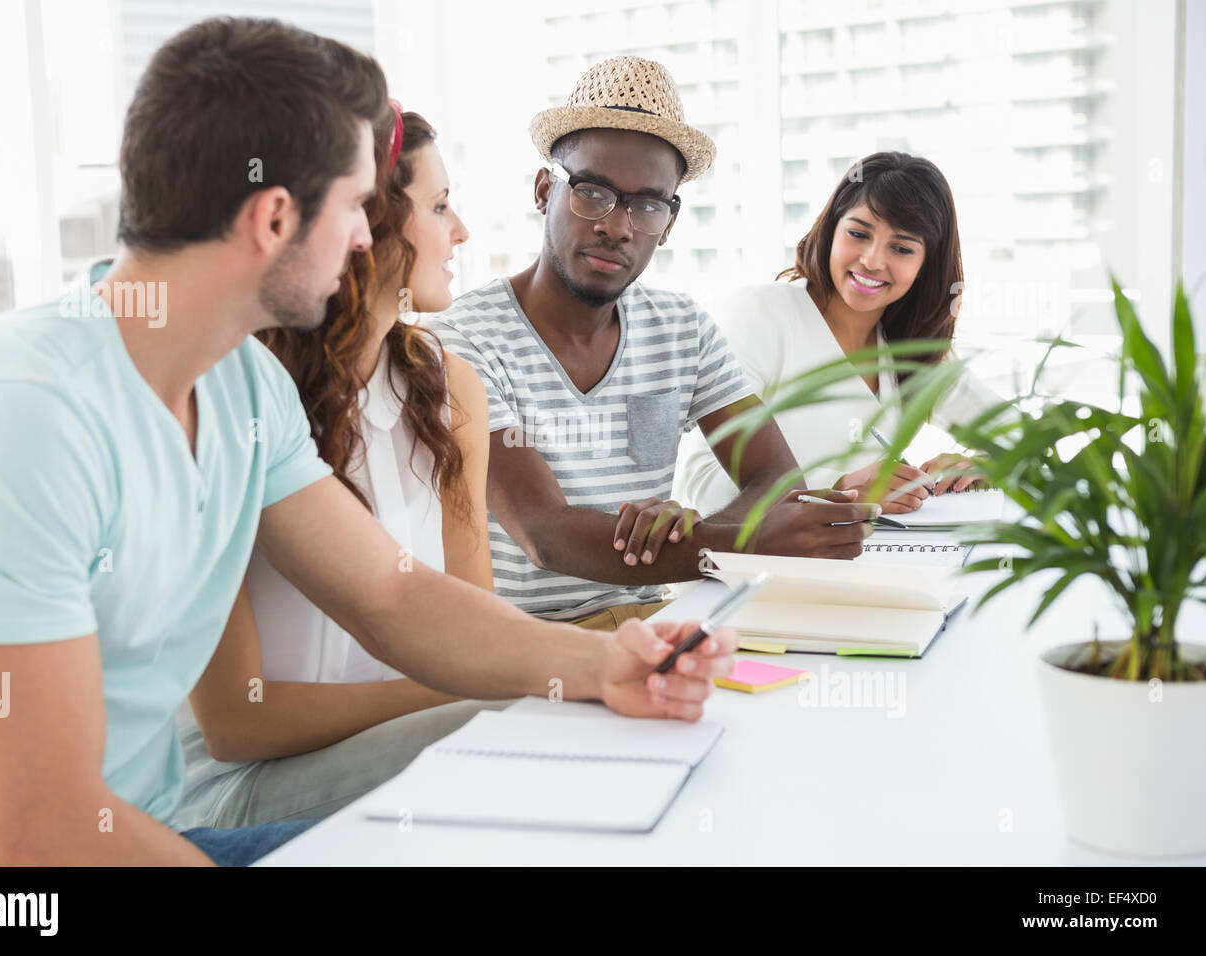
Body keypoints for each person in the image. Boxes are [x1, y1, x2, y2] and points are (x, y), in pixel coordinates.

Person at [0, 19, 736, 868]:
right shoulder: (18, 414)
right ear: (274, 218)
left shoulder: (241, 388)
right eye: (351, 206)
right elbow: (40, 835)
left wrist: (603, 666)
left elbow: (391, 595)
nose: (362, 237)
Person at [431, 56, 877, 630]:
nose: (617, 226)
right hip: (523, 648)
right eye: (592, 193)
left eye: (646, 205)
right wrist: (735, 540)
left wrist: (691, 534)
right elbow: (546, 535)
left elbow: (777, 481)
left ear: (669, 222)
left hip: (656, 619)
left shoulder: (682, 328)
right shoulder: (463, 339)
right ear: (545, 190)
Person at [173, 108, 503, 831]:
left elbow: (475, 625)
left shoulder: (452, 390)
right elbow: (235, 719)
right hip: (241, 786)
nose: (462, 231)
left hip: (410, 744)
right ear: (367, 225)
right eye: (440, 207)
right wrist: (463, 689)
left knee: (519, 721)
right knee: (501, 730)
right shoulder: (224, 395)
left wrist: (538, 671)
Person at [673, 151, 1005, 519]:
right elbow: (702, 485)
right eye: (858, 233)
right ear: (831, 228)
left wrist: (982, 466)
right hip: (761, 570)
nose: (872, 261)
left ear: (926, 264)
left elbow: (1029, 442)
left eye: (901, 248)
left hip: (869, 565)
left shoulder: (915, 351)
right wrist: (839, 485)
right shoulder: (759, 315)